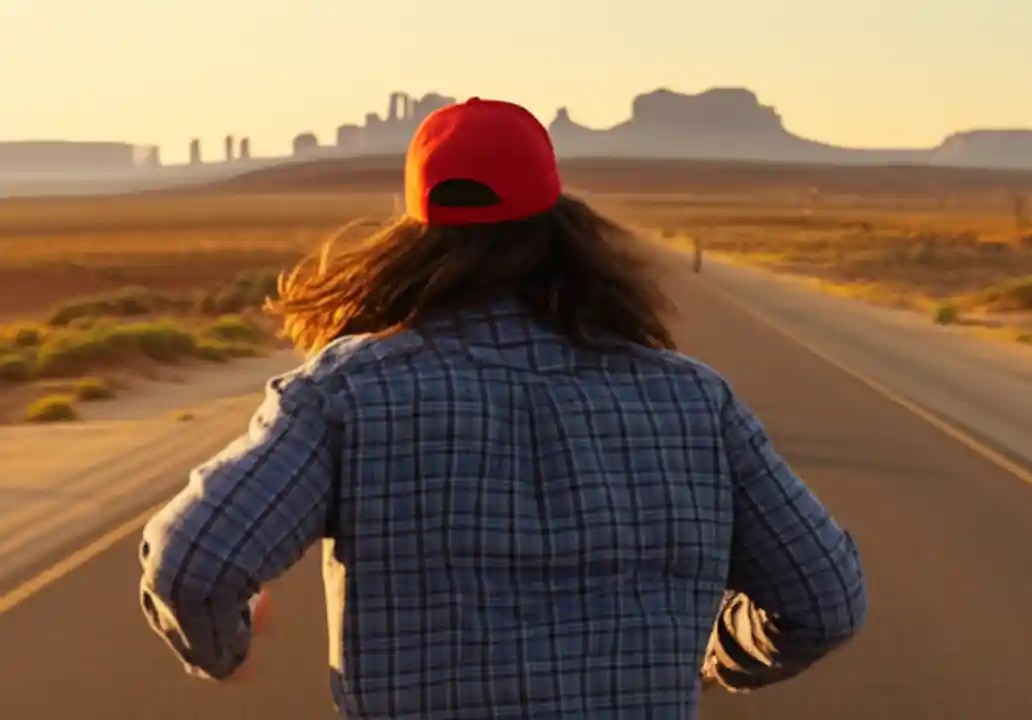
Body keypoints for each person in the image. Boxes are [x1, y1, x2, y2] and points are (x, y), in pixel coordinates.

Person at [137, 97, 867, 718]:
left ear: (415, 238)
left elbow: (193, 564)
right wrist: (713, 655)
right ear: (562, 228)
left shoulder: (347, 393)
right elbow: (825, 600)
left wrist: (222, 648)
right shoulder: (692, 399)